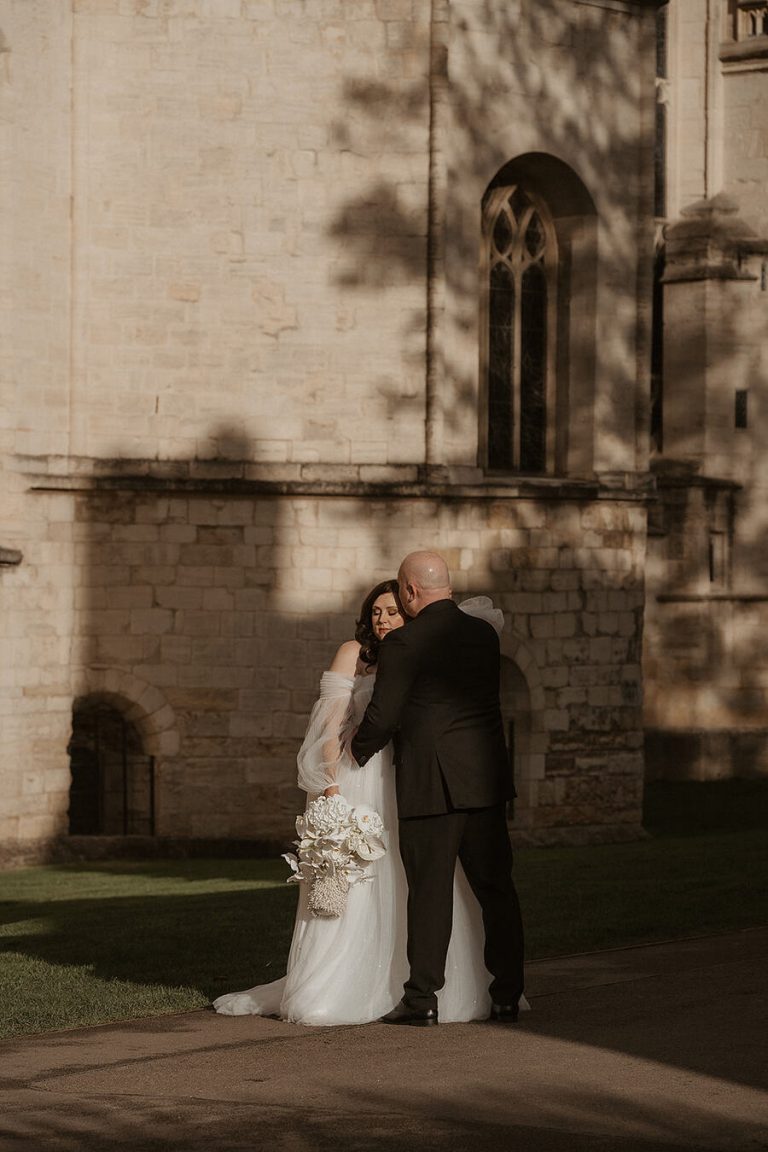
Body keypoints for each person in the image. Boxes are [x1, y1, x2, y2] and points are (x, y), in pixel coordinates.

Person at [213, 578, 500, 1025]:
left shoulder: (420, 651)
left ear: (410, 613)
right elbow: (330, 725)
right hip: (359, 777)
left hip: (409, 779)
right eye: (376, 613)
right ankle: (343, 981)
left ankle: (421, 985)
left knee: (419, 882)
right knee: (357, 882)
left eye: (392, 612)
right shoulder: (354, 654)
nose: (383, 621)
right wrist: (330, 789)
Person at [351, 552, 525, 1027]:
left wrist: (355, 753)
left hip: (432, 784)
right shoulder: (484, 635)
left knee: (429, 892)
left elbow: (383, 717)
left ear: (408, 591)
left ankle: (422, 997)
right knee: (496, 890)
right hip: (485, 781)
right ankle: (508, 994)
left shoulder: (405, 643)